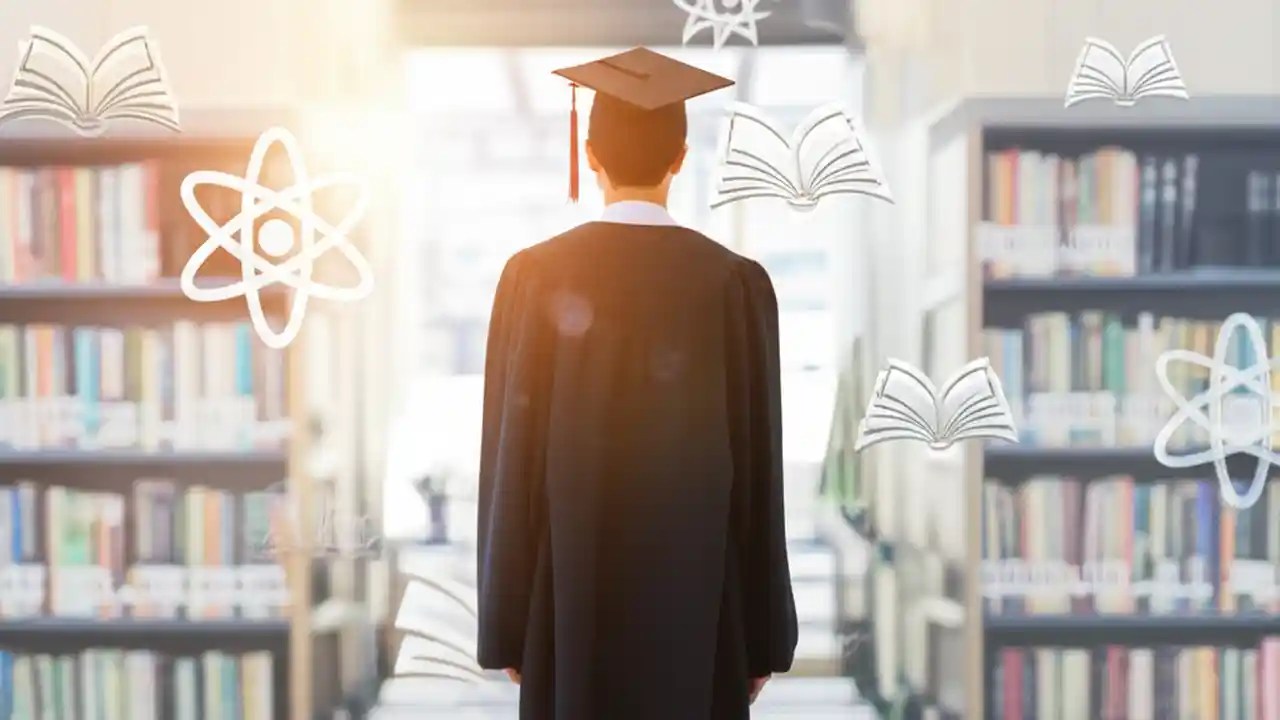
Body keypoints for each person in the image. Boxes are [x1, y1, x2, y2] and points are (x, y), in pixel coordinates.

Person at [476, 47, 798, 720]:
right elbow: (758, 473)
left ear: (589, 155)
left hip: (566, 610)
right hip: (704, 615)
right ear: (680, 158)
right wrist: (764, 637)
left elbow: (511, 461)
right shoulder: (735, 284)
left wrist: (507, 624)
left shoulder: (533, 277)